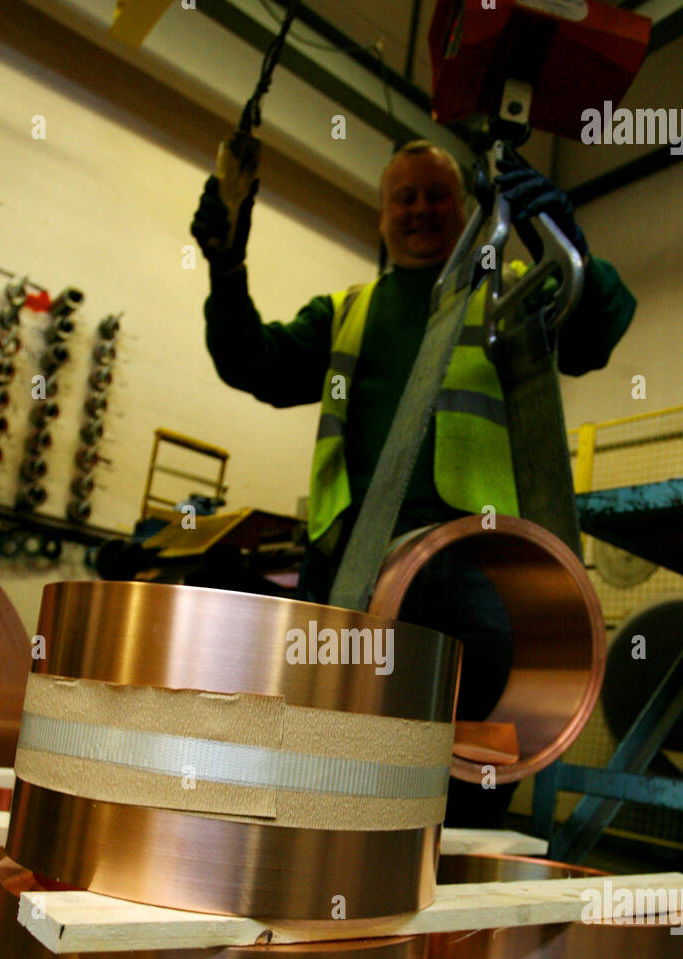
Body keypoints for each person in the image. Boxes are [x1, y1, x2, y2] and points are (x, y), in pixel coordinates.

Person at [192, 140, 635, 824]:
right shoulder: (347, 313)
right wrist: (226, 265)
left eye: (438, 195)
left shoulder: (511, 292)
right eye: (406, 197)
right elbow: (254, 363)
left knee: (476, 761)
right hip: (353, 566)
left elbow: (599, 329)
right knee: (334, 759)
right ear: (382, 215)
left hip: (482, 568)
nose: (422, 209)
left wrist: (566, 238)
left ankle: (452, 902)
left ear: (466, 209)